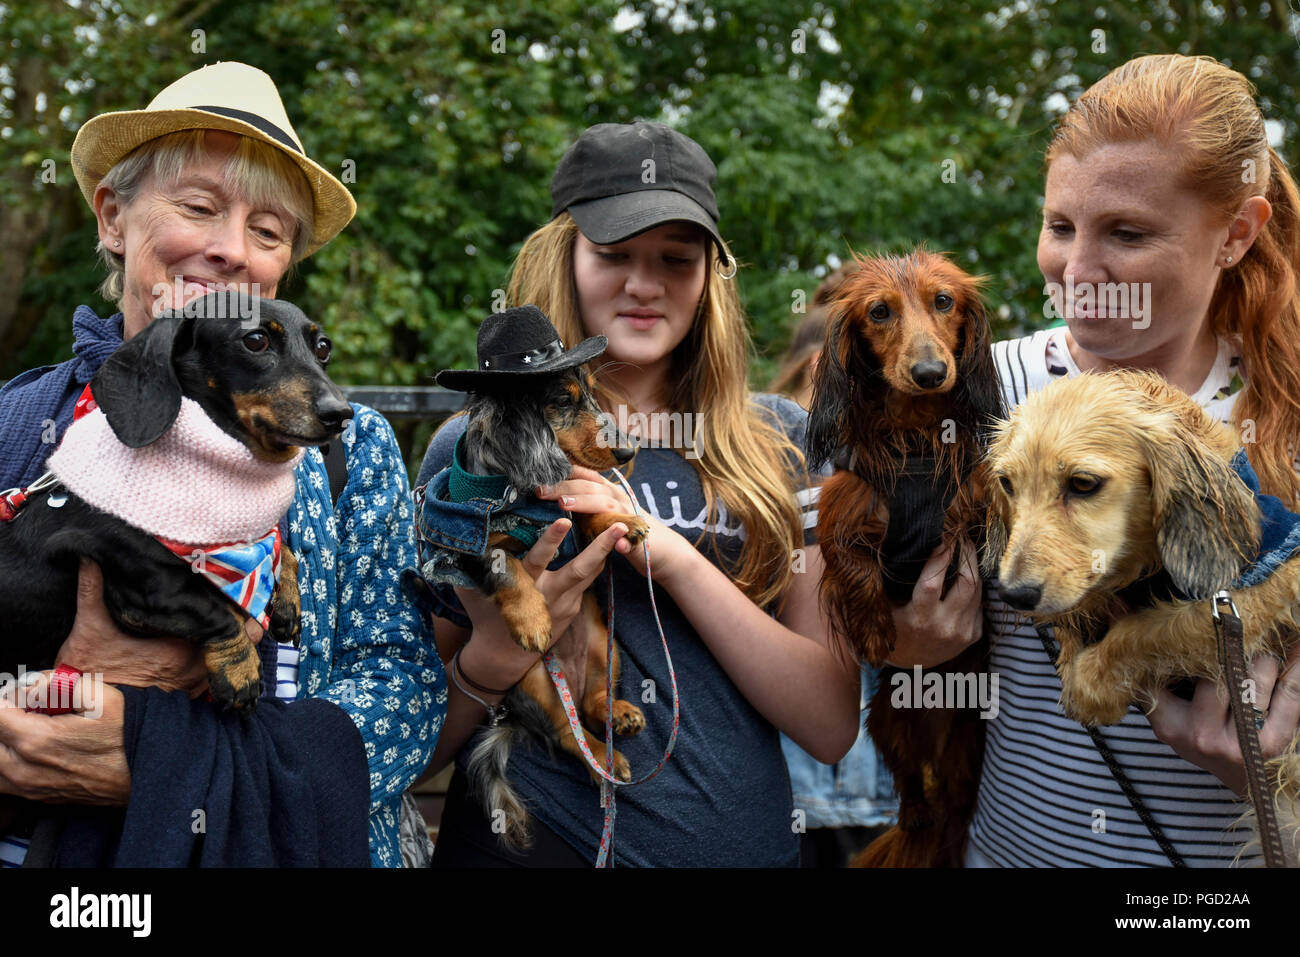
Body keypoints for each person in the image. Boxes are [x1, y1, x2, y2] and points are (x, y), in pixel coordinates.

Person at [0, 62, 444, 867]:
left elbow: (403, 687)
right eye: (199, 206)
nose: (230, 250)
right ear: (111, 216)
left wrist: (173, 759)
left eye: (268, 231)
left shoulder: (346, 446)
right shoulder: (16, 426)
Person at [415, 120, 861, 866]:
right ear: (567, 256)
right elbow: (418, 739)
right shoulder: (471, 449)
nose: (645, 284)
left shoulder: (786, 441)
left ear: (711, 277)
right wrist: (490, 657)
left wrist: (673, 556)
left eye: (676, 260)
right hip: (529, 839)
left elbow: (828, 721)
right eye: (615, 254)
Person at [895, 53, 1300, 866]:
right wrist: (905, 645)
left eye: (1128, 232)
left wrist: (1261, 764)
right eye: (1060, 226)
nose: (1076, 274)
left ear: (1237, 233)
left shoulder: (1281, 414)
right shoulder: (980, 387)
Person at [767, 264, 899, 866]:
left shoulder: (746, 467)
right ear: (827, 370)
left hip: (787, 782)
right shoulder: (827, 467)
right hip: (850, 786)